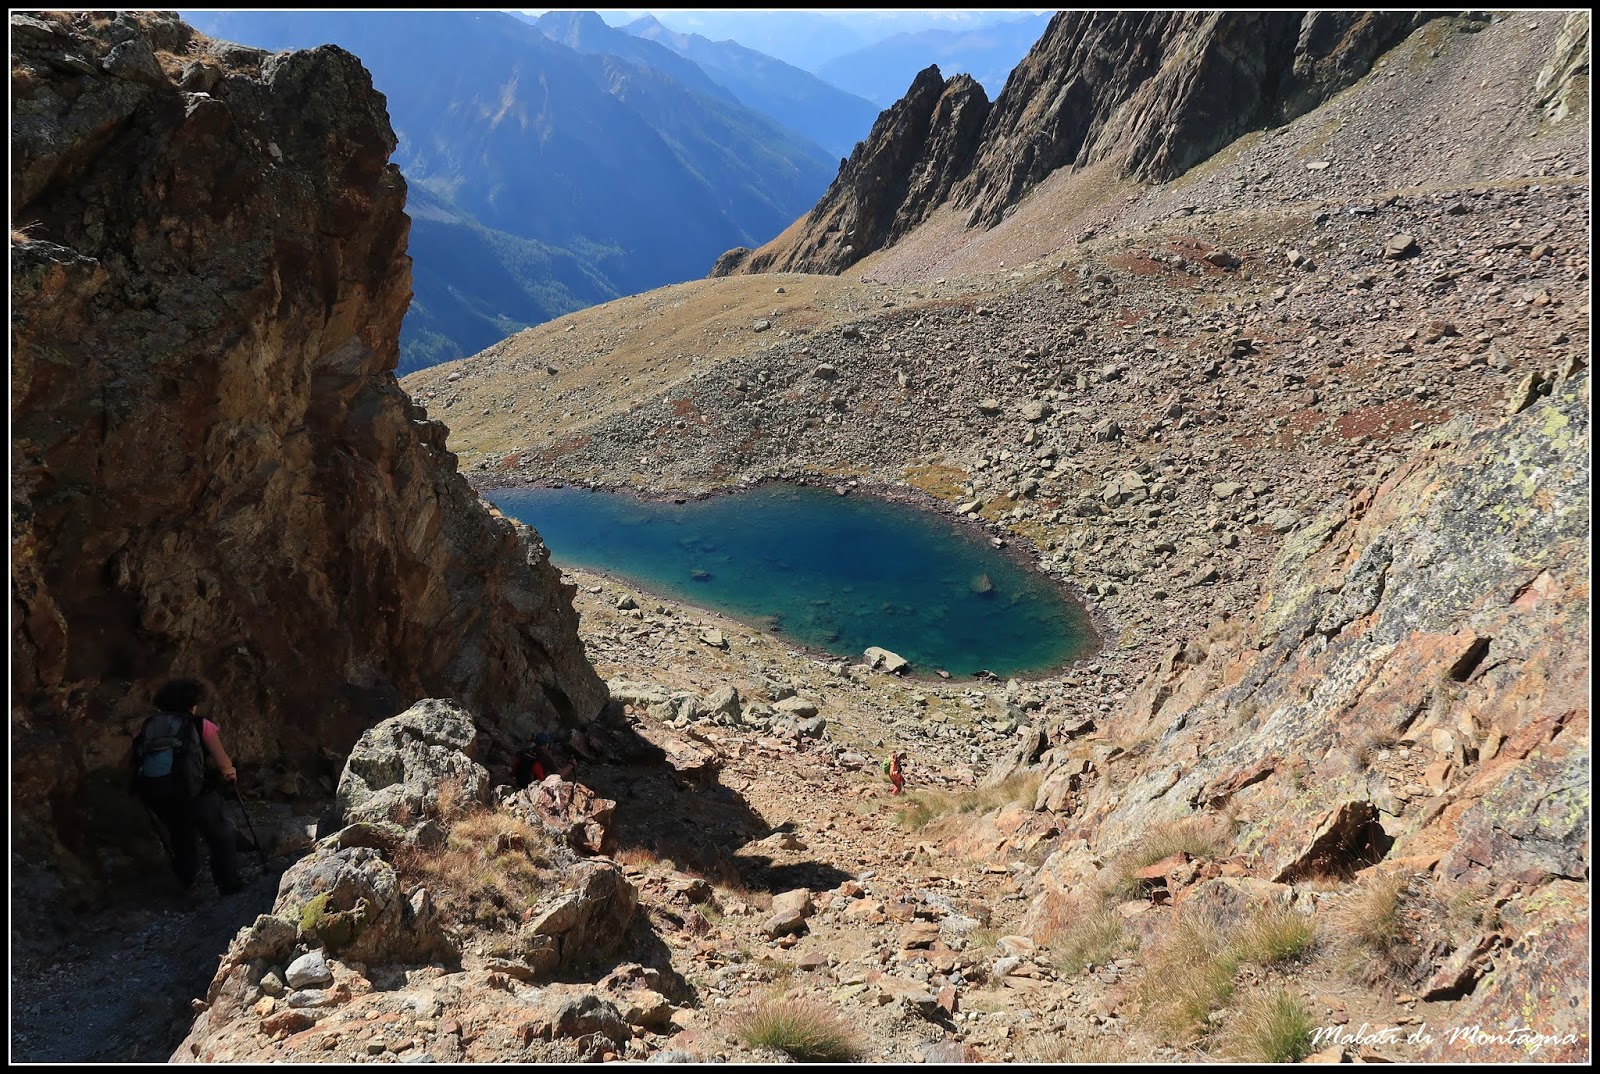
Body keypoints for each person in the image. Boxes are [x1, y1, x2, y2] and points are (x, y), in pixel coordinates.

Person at [127, 678, 242, 895]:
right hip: (195, 794)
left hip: (157, 794)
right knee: (221, 833)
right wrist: (230, 774)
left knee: (180, 835)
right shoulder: (200, 724)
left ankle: (189, 882)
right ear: (192, 703)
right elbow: (223, 763)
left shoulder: (148, 726)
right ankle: (228, 884)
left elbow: (129, 761)